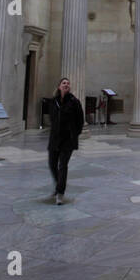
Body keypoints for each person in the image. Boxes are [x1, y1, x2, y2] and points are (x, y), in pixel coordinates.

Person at [47, 76, 85, 204]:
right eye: (63, 83)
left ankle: (60, 193)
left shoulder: (74, 101)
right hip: (55, 139)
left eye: (68, 83)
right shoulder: (53, 101)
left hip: (68, 140)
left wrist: (74, 134)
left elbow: (80, 120)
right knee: (52, 164)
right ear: (59, 86)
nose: (66, 85)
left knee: (63, 166)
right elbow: (52, 118)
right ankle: (59, 186)